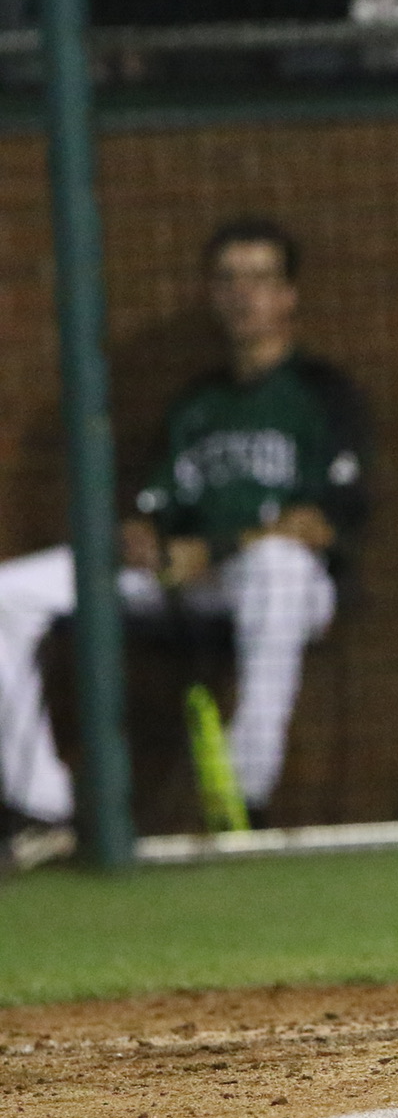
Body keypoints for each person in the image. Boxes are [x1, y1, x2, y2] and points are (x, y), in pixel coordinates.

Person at [0, 220, 370, 864]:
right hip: (188, 579)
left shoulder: (323, 393)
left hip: (285, 583)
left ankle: (243, 794)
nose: (242, 294)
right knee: (8, 594)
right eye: (228, 279)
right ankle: (42, 806)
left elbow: (319, 523)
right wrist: (140, 535)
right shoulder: (196, 403)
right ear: (210, 293)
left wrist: (214, 551)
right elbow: (155, 507)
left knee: (280, 566)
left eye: (260, 278)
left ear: (289, 295)